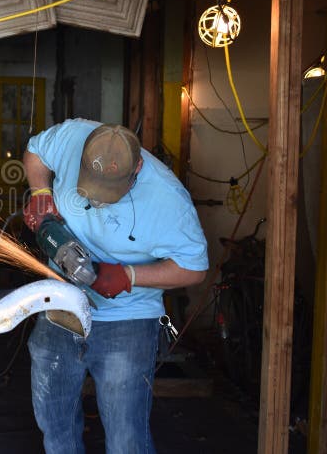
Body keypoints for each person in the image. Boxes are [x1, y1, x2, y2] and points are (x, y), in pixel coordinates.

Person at [22, 119, 208, 454]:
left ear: (137, 168)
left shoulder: (169, 201)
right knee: (54, 424)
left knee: (126, 439)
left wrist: (130, 276)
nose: (98, 201)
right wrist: (41, 193)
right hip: (61, 305)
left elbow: (194, 269)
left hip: (128, 318)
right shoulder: (72, 137)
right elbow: (35, 152)